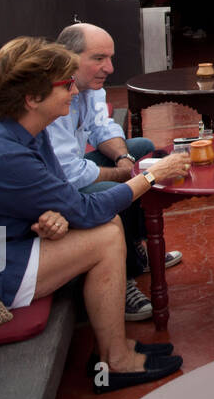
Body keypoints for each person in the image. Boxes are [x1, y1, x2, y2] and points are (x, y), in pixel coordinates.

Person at [0, 38, 191, 392]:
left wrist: (51, 216)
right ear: (32, 98)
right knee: (105, 233)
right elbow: (85, 208)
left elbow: (60, 194)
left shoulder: (25, 130)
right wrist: (152, 175)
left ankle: (114, 352)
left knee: (106, 228)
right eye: (66, 84)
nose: (74, 91)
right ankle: (115, 361)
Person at [49, 22, 184, 322]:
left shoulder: (87, 85)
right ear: (68, 57)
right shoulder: (53, 95)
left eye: (110, 58)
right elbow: (70, 174)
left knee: (142, 147)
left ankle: (136, 251)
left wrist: (124, 158)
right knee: (118, 189)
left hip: (71, 170)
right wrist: (128, 176)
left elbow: (101, 127)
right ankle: (120, 284)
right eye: (98, 58)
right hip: (56, 184)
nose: (109, 68)